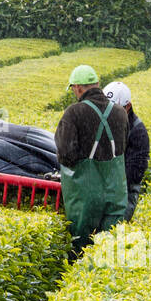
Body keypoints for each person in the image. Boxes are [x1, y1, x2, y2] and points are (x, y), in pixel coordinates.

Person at [55, 64, 129, 255]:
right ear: (97, 84)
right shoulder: (120, 113)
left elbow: (65, 154)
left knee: (81, 250)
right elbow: (123, 148)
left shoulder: (74, 113)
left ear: (78, 87)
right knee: (109, 251)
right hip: (116, 194)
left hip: (85, 197)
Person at [103, 80, 149, 220]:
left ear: (127, 106)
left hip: (123, 193)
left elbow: (133, 173)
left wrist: (107, 186)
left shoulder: (138, 132)